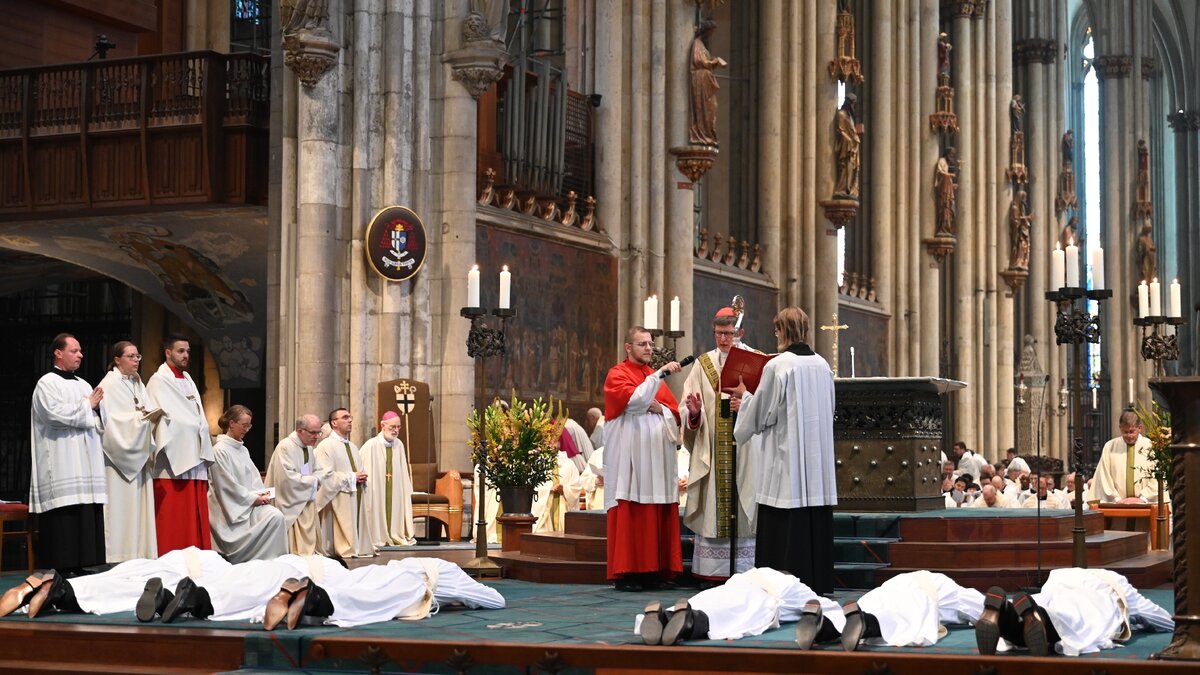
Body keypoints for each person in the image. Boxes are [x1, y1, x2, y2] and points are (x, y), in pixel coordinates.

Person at [729, 307, 837, 594]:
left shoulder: (779, 366)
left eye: (777, 329)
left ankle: (781, 587)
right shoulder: (822, 366)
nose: (775, 334)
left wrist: (744, 399)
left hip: (785, 462)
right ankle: (817, 582)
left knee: (784, 517)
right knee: (813, 518)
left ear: (785, 331)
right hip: (817, 466)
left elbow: (763, 412)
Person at [680, 306, 760, 581]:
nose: (724, 339)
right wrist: (694, 413)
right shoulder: (703, 365)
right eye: (719, 334)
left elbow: (766, 402)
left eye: (729, 333)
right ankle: (713, 572)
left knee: (745, 496)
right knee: (715, 504)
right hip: (714, 449)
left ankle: (745, 571)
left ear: (740, 332)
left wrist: (746, 402)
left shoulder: (755, 361)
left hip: (747, 448)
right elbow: (687, 406)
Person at [602, 326, 685, 591]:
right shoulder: (618, 374)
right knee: (632, 512)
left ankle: (653, 572)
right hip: (630, 462)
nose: (649, 348)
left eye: (650, 343)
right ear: (628, 347)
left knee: (655, 512)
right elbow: (635, 402)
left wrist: (661, 408)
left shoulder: (651, 376)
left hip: (656, 462)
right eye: (642, 344)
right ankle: (627, 573)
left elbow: (673, 412)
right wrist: (660, 375)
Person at [28, 333, 107, 572]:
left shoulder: (84, 385)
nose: (80, 355)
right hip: (62, 461)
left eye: (80, 351)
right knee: (65, 517)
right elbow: (53, 414)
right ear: (58, 353)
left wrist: (97, 411)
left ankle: (87, 565)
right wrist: (87, 406)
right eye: (74, 351)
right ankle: (61, 568)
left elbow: (99, 418)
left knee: (86, 512)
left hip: (86, 462)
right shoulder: (47, 383)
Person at [976, 568, 1173, 656]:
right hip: (1098, 594)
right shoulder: (1118, 582)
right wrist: (1173, 623)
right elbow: (1157, 616)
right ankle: (1035, 615)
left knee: (1049, 607)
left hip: (1059, 581)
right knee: (1072, 624)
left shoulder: (1071, 572)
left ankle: (1004, 612)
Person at [634, 567, 846, 647]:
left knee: (706, 602)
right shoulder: (793, 585)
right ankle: (689, 623)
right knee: (725, 617)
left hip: (728, 589)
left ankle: (666, 617)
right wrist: (822, 624)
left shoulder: (750, 573)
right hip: (758, 598)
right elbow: (822, 606)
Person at [145, 335, 214, 553]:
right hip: (172, 456)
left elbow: (196, 413)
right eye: (180, 351)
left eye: (187, 351)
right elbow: (158, 416)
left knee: (194, 507)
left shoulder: (188, 379)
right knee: (175, 512)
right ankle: (171, 551)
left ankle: (196, 552)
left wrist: (199, 427)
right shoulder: (158, 381)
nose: (185, 355)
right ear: (168, 353)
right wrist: (188, 426)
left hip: (194, 450)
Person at [97, 341, 158, 562]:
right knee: (120, 506)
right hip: (118, 459)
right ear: (117, 359)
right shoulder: (109, 385)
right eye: (130, 356)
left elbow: (144, 409)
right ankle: (119, 554)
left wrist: (150, 417)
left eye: (137, 356)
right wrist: (140, 420)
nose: (136, 360)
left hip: (139, 453)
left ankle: (140, 553)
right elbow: (109, 422)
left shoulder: (138, 383)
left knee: (139, 507)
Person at [208, 405, 288, 562]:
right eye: (244, 425)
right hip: (230, 510)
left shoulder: (243, 450)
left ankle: (273, 561)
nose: (247, 429)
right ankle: (254, 559)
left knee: (276, 516)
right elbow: (226, 487)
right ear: (231, 423)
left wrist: (262, 494)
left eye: (249, 426)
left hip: (247, 503)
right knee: (274, 517)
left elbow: (254, 479)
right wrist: (253, 499)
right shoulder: (220, 450)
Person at [839, 570, 985, 651]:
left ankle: (831, 625)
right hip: (921, 593)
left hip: (889, 587)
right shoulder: (956, 592)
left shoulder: (942, 582)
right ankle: (866, 624)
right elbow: (986, 612)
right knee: (901, 622)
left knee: (857, 614)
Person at [264, 414, 329, 555]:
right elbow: (287, 479)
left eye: (319, 432)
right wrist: (313, 481)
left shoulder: (308, 448)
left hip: (306, 499)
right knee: (295, 551)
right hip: (291, 502)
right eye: (313, 433)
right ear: (300, 431)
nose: (317, 437)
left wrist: (316, 479)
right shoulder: (285, 447)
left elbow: (318, 470)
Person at [314, 408, 373, 558]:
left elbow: (358, 469)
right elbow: (325, 476)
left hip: (354, 495)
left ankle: (357, 545)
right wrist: (352, 477)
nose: (350, 420)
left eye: (350, 417)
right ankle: (342, 547)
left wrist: (362, 476)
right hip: (337, 499)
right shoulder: (325, 446)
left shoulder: (352, 446)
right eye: (345, 417)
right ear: (334, 423)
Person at [360, 411, 417, 548]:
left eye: (398, 427)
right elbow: (360, 466)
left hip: (395, 488)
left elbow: (403, 470)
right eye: (392, 427)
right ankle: (377, 535)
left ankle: (394, 534)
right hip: (376, 490)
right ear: (383, 425)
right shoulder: (371, 445)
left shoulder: (399, 445)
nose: (396, 430)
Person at [1089, 410, 1157, 503]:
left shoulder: (1151, 446)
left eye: (1131, 431)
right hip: (1117, 505)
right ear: (1120, 428)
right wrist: (1117, 499)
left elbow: (1157, 477)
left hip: (1147, 503)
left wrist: (1142, 498)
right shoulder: (1110, 447)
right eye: (1125, 432)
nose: (1128, 435)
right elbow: (1104, 475)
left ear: (1140, 428)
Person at [688, 20, 726, 146]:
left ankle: (707, 134)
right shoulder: (697, 43)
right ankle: (701, 134)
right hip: (700, 81)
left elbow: (705, 61)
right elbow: (698, 61)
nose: (711, 36)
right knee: (703, 108)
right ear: (706, 31)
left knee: (712, 107)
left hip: (706, 81)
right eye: (711, 33)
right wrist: (715, 62)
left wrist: (713, 61)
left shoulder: (702, 46)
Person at [834, 94, 861, 199]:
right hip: (847, 147)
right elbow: (840, 130)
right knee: (845, 167)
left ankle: (850, 189)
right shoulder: (841, 114)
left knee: (852, 169)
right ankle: (842, 188)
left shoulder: (850, 117)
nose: (854, 106)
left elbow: (852, 131)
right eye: (853, 103)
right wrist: (849, 140)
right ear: (849, 103)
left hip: (853, 148)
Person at [934, 147, 958, 236]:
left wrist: (953, 184)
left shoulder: (948, 163)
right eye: (951, 154)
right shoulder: (942, 161)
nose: (952, 156)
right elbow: (940, 173)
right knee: (944, 206)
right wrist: (950, 175)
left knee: (949, 207)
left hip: (948, 188)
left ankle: (948, 228)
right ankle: (943, 227)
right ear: (947, 153)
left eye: (953, 155)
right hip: (943, 190)